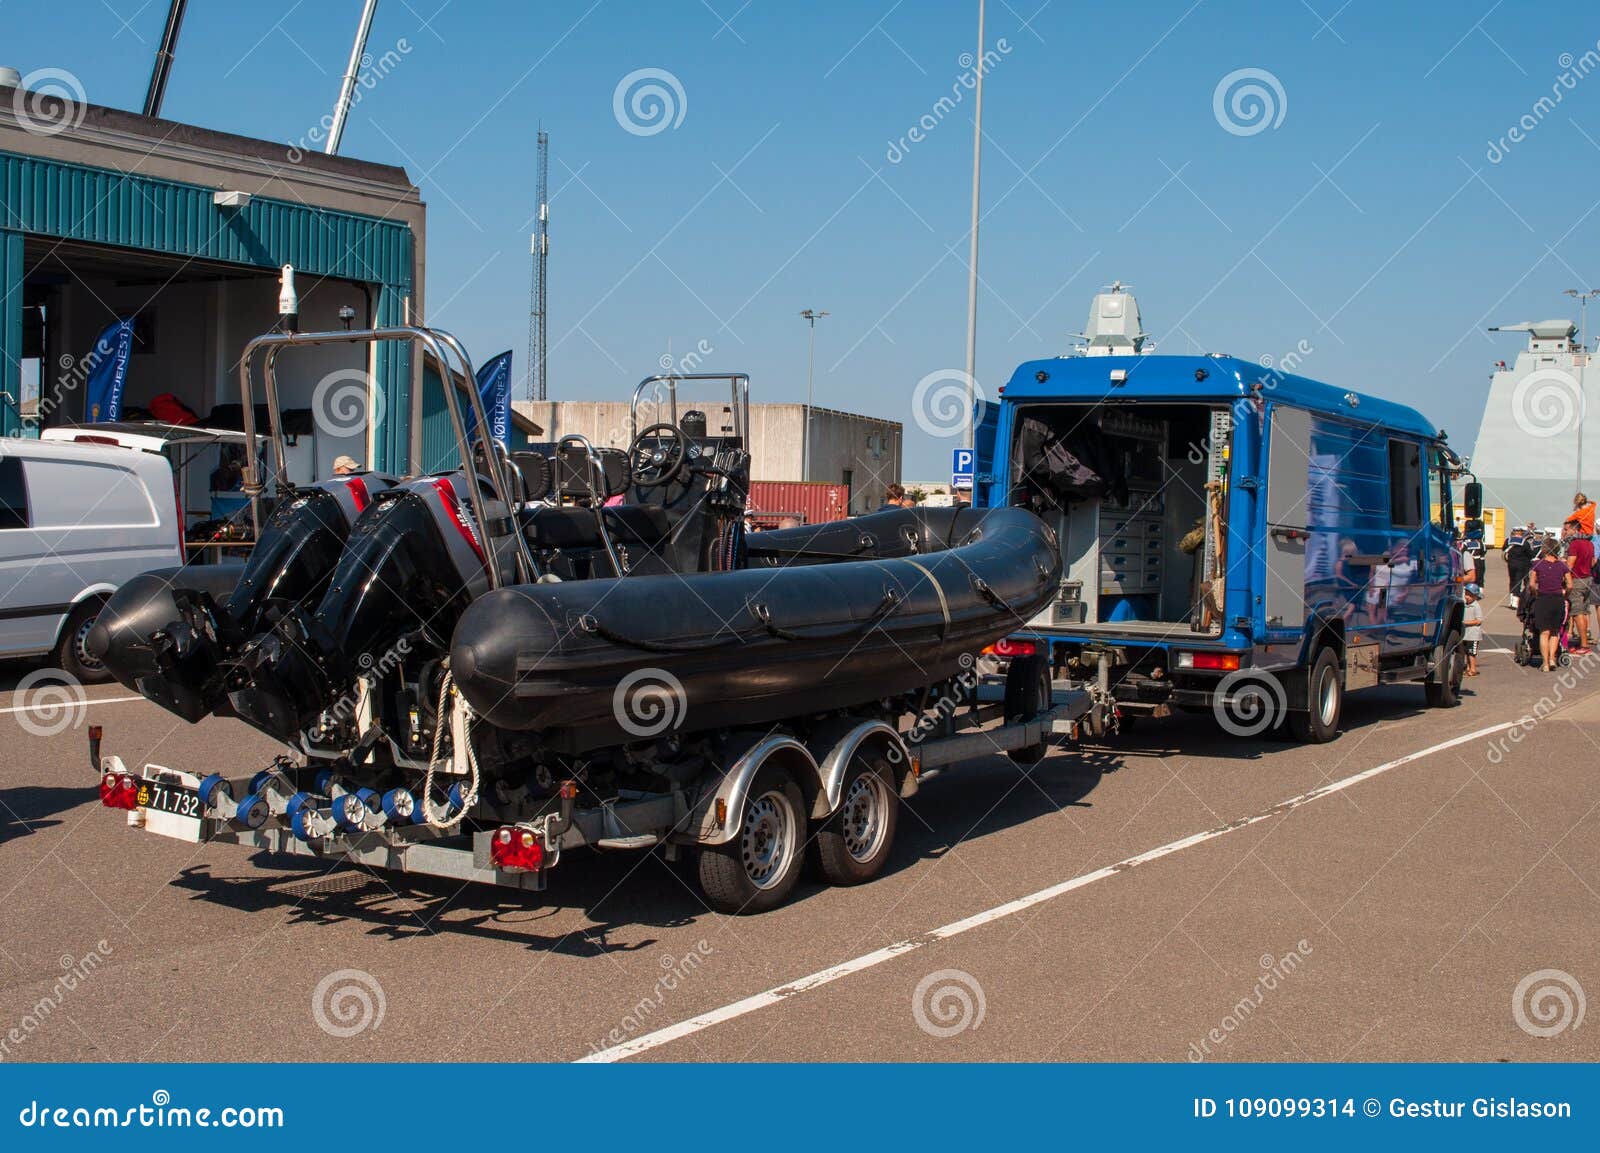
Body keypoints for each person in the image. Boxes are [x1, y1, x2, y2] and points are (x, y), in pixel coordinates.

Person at [1530, 539, 1572, 672]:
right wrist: (1565, 594)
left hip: (1543, 598)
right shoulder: (1562, 566)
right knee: (1555, 632)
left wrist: (1535, 593)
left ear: (1544, 549)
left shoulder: (1537, 564)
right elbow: (1570, 585)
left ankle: (1545, 663)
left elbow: (1531, 584)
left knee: (1544, 632)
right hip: (1557, 599)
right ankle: (1553, 659)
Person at [1565, 517, 1595, 654]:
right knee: (1583, 611)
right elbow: (1593, 561)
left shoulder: (1575, 544)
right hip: (1588, 579)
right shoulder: (1589, 543)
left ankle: (1584, 645)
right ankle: (1583, 642)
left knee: (1577, 614)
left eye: (1567, 529)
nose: (1565, 532)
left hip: (1577, 580)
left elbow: (1570, 565)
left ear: (1575, 529)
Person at [1504, 522, 1534, 607]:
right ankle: (1515, 602)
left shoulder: (1508, 541)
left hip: (1510, 564)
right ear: (1521, 532)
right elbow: (1530, 553)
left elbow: (1504, 549)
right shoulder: (1524, 542)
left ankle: (1511, 599)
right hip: (1521, 565)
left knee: (1512, 581)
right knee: (1518, 582)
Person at [1462, 583, 1484, 677]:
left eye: (1470, 595)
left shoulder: (1476, 606)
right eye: (1466, 594)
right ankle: (1468, 667)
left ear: (1475, 596)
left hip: (1473, 635)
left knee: (1472, 653)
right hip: (1465, 634)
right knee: (1466, 651)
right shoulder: (1464, 605)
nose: (1467, 597)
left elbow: (1479, 620)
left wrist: (1465, 622)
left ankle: (1473, 669)